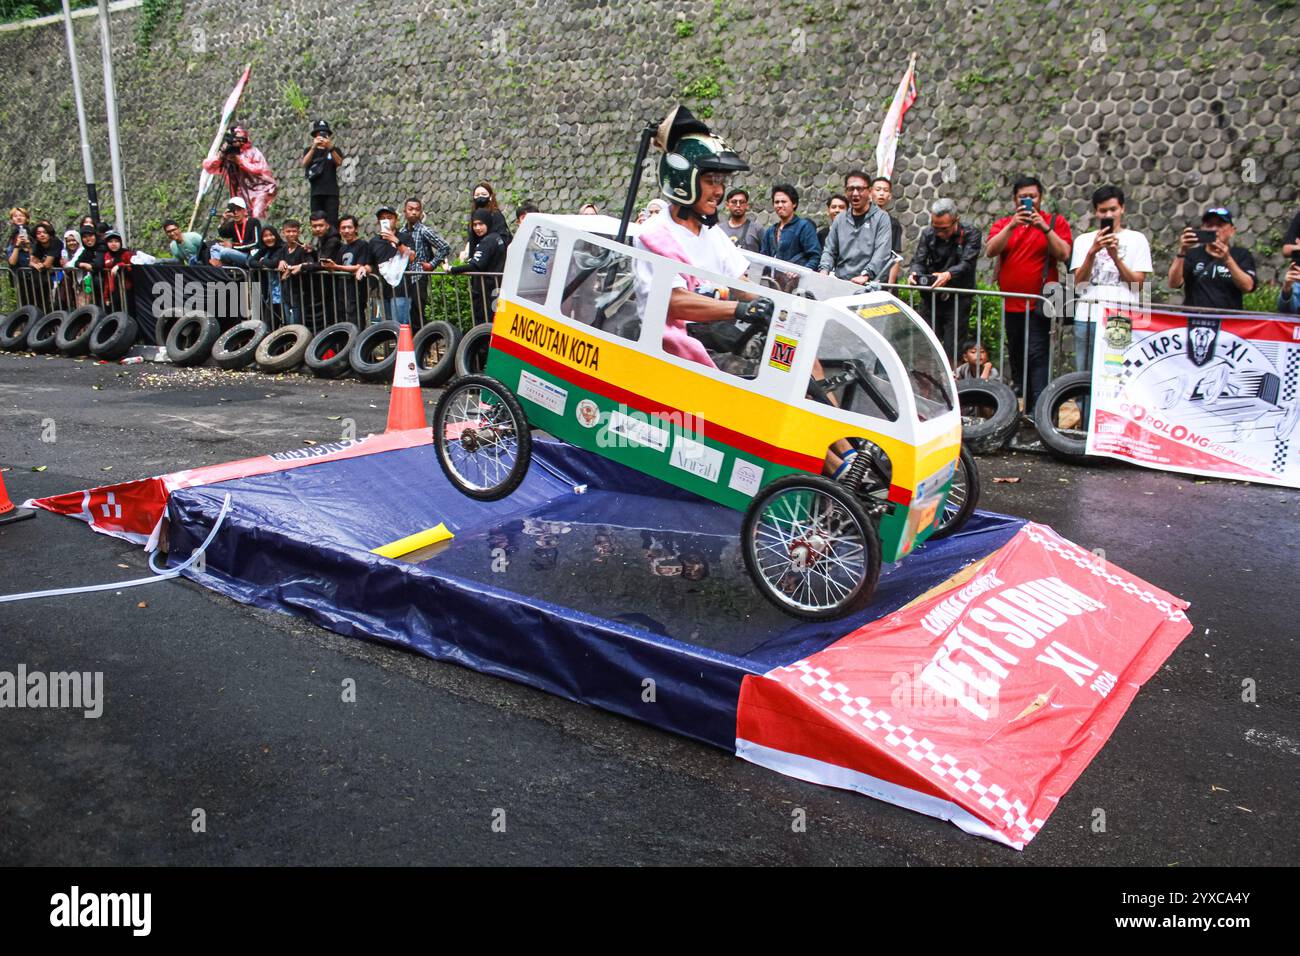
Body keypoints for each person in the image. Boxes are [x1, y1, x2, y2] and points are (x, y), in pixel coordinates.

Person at [985, 175, 1072, 413]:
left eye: (1032, 196)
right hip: (1011, 303)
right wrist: (1012, 226)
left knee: (1037, 356)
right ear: (1015, 200)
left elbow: (1064, 253)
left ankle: (1039, 411)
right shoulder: (1004, 224)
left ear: (1040, 198)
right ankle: (1025, 408)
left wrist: (1044, 228)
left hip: (1042, 303)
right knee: (1017, 356)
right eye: (1023, 197)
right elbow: (991, 250)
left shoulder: (1054, 222)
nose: (1028, 201)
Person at [1070, 185, 1152, 371]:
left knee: (1116, 373)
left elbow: (1137, 285)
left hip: (1121, 317)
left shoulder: (1137, 239)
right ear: (1096, 212)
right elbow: (1079, 284)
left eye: (1113, 209)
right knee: (1084, 374)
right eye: (1103, 210)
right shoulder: (1083, 241)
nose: (1109, 215)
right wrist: (1092, 252)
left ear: (1122, 209)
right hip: (1088, 316)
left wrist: (1115, 257)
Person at [908, 197, 983, 361]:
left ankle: (951, 375)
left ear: (956, 220)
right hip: (931, 297)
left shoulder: (971, 233)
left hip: (958, 297)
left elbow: (967, 263)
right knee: (925, 344)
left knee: (953, 348)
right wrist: (914, 274)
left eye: (944, 229)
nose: (939, 233)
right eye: (935, 227)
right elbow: (919, 260)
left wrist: (948, 275)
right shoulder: (928, 234)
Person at [1168, 206, 1256, 311]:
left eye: (1220, 225)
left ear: (1232, 231)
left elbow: (1248, 286)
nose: (1214, 229)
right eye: (1209, 225)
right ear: (1202, 229)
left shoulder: (1241, 255)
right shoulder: (1192, 254)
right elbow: (1174, 283)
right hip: (1195, 317)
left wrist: (1227, 259)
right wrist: (1182, 251)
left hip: (1228, 319)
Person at [818, 169, 893, 285]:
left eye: (860, 189)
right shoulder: (840, 219)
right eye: (851, 189)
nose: (855, 193)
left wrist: (866, 275)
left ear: (869, 191)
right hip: (841, 282)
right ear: (845, 191)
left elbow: (882, 251)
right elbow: (830, 249)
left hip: (868, 284)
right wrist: (824, 270)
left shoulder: (881, 218)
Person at [200, 125, 277, 220]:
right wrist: (221, 155)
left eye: (241, 139)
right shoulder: (227, 155)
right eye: (235, 140)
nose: (238, 143)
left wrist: (240, 161)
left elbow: (259, 169)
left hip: (260, 189)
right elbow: (209, 167)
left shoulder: (252, 152)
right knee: (243, 219)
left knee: (256, 216)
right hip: (240, 194)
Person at [397, 197, 451, 324]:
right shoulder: (401, 232)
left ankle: (421, 335)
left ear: (421, 212)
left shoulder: (424, 230)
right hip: (403, 277)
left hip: (419, 276)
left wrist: (432, 264)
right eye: (410, 209)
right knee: (404, 313)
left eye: (417, 210)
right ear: (405, 211)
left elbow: (444, 247)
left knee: (418, 312)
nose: (414, 212)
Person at [450, 208, 508, 326]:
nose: (477, 228)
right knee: (497, 323)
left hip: (487, 291)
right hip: (497, 289)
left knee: (485, 324)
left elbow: (476, 265)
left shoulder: (488, 241)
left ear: (488, 223)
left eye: (481, 224)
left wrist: (452, 269)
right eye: (475, 225)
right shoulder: (497, 238)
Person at [363, 206, 417, 324]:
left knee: (400, 325)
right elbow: (371, 264)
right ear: (378, 222)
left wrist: (396, 240)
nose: (386, 221)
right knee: (386, 326)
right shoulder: (374, 242)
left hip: (401, 289)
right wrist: (363, 269)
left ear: (396, 220)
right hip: (382, 289)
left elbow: (412, 257)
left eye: (389, 218)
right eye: (382, 218)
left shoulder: (405, 237)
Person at [759, 184, 821, 273]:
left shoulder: (804, 227)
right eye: (776, 202)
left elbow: (815, 257)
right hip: (773, 280)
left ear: (794, 203)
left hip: (798, 280)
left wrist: (799, 272)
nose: (780, 205)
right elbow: (762, 259)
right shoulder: (770, 231)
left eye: (784, 201)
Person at [319, 215, 370, 323]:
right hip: (342, 289)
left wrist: (336, 266)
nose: (346, 231)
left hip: (356, 290)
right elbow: (336, 266)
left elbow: (358, 266)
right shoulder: (342, 248)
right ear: (339, 230)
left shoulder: (363, 245)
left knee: (355, 318)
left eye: (349, 227)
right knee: (342, 318)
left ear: (356, 229)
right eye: (343, 228)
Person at [300, 119, 344, 226]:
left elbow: (339, 162)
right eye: (319, 134)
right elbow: (304, 163)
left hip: (331, 192)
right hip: (316, 192)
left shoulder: (335, 150)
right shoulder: (309, 150)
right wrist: (314, 147)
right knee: (317, 222)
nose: (322, 136)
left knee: (332, 222)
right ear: (315, 136)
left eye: (325, 134)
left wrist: (330, 147)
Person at [275, 219, 315, 325]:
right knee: (288, 321)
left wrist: (298, 267)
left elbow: (311, 263)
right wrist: (280, 261)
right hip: (285, 291)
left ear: (299, 232)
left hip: (299, 292)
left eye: (294, 231)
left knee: (296, 323)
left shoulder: (303, 249)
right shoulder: (283, 249)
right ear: (283, 232)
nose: (291, 234)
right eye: (288, 231)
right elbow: (274, 260)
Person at [248, 224, 287, 318]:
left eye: (271, 235)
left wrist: (263, 260)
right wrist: (263, 264)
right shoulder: (264, 249)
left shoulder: (283, 247)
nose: (269, 238)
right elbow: (251, 261)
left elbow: (273, 263)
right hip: (268, 290)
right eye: (265, 236)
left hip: (281, 291)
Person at [209, 197, 262, 266]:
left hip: (250, 255)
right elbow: (223, 234)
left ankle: (221, 266)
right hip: (236, 252)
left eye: (238, 210)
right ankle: (219, 268)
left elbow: (256, 243)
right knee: (215, 248)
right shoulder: (232, 224)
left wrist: (233, 246)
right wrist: (224, 220)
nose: (236, 213)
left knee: (225, 252)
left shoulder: (253, 222)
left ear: (244, 211)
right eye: (233, 210)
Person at [465, 181, 511, 260]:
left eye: (483, 194)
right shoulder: (473, 215)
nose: (480, 197)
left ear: (490, 196)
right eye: (477, 195)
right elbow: (471, 238)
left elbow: (503, 237)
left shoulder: (496, 215)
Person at [871, 177, 904, 284]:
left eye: (885, 190)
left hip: (882, 278)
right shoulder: (860, 219)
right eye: (878, 189)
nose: (881, 193)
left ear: (889, 196)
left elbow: (895, 256)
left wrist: (890, 286)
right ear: (870, 193)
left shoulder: (893, 224)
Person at [718, 188, 762, 252]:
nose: (738, 205)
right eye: (734, 202)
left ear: (747, 205)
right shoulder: (719, 230)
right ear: (727, 205)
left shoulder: (757, 229)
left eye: (742, 202)